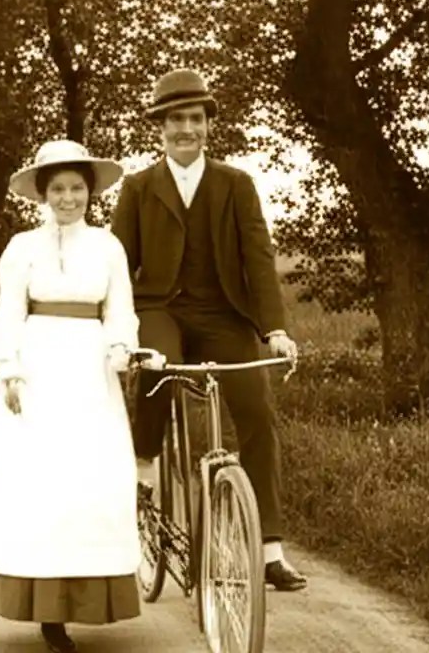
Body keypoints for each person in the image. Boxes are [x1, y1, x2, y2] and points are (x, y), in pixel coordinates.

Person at [110, 68, 308, 592]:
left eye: (195, 119)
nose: (186, 130)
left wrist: (275, 331)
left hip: (224, 314)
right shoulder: (138, 187)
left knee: (257, 412)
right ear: (160, 127)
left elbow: (259, 261)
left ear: (207, 126)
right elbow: (117, 265)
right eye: (176, 120)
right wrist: (117, 332)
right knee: (154, 364)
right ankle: (145, 464)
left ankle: (269, 552)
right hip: (161, 308)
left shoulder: (235, 185)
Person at [0, 139, 142, 653]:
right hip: (38, 371)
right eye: (59, 189)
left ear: (91, 192)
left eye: (78, 189)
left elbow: (120, 310)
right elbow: (8, 314)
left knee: (92, 483)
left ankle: (88, 599)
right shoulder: (22, 248)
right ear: (43, 195)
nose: (69, 199)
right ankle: (46, 613)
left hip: (90, 374)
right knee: (40, 488)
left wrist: (120, 348)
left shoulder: (108, 246)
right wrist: (11, 370)